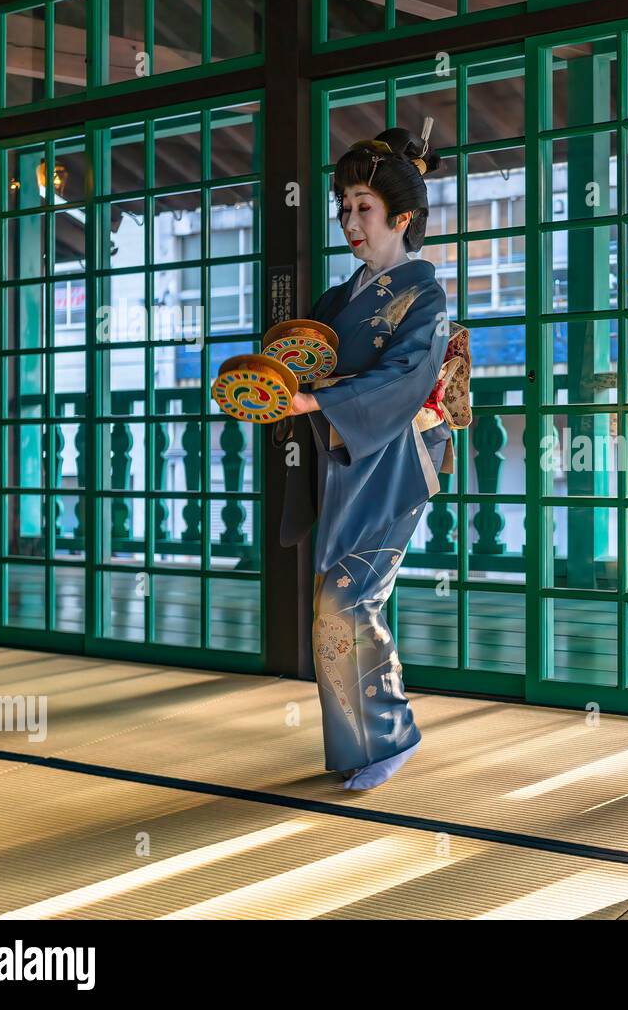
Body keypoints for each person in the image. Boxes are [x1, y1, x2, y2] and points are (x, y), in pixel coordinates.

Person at [274, 124, 453, 791]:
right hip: (346, 463)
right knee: (333, 606)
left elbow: (407, 378)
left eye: (364, 209)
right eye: (344, 207)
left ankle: (391, 734)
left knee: (350, 600)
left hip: (395, 463)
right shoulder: (338, 298)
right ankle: (360, 741)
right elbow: (303, 359)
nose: (350, 220)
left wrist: (319, 403)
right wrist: (280, 388)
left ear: (402, 218)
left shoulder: (424, 297)